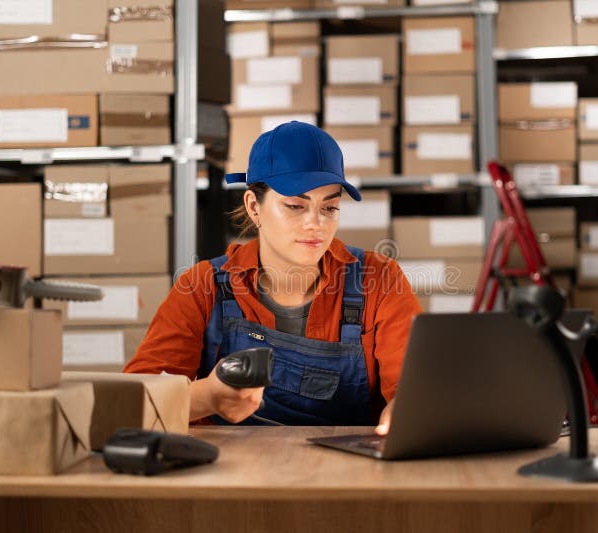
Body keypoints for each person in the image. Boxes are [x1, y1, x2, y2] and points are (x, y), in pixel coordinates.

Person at [125, 121, 421, 435]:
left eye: (330, 207)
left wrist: (407, 409)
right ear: (254, 207)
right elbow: (130, 405)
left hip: (346, 476)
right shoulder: (202, 287)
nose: (315, 224)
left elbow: (414, 388)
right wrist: (204, 397)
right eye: (295, 206)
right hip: (233, 476)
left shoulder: (379, 280)